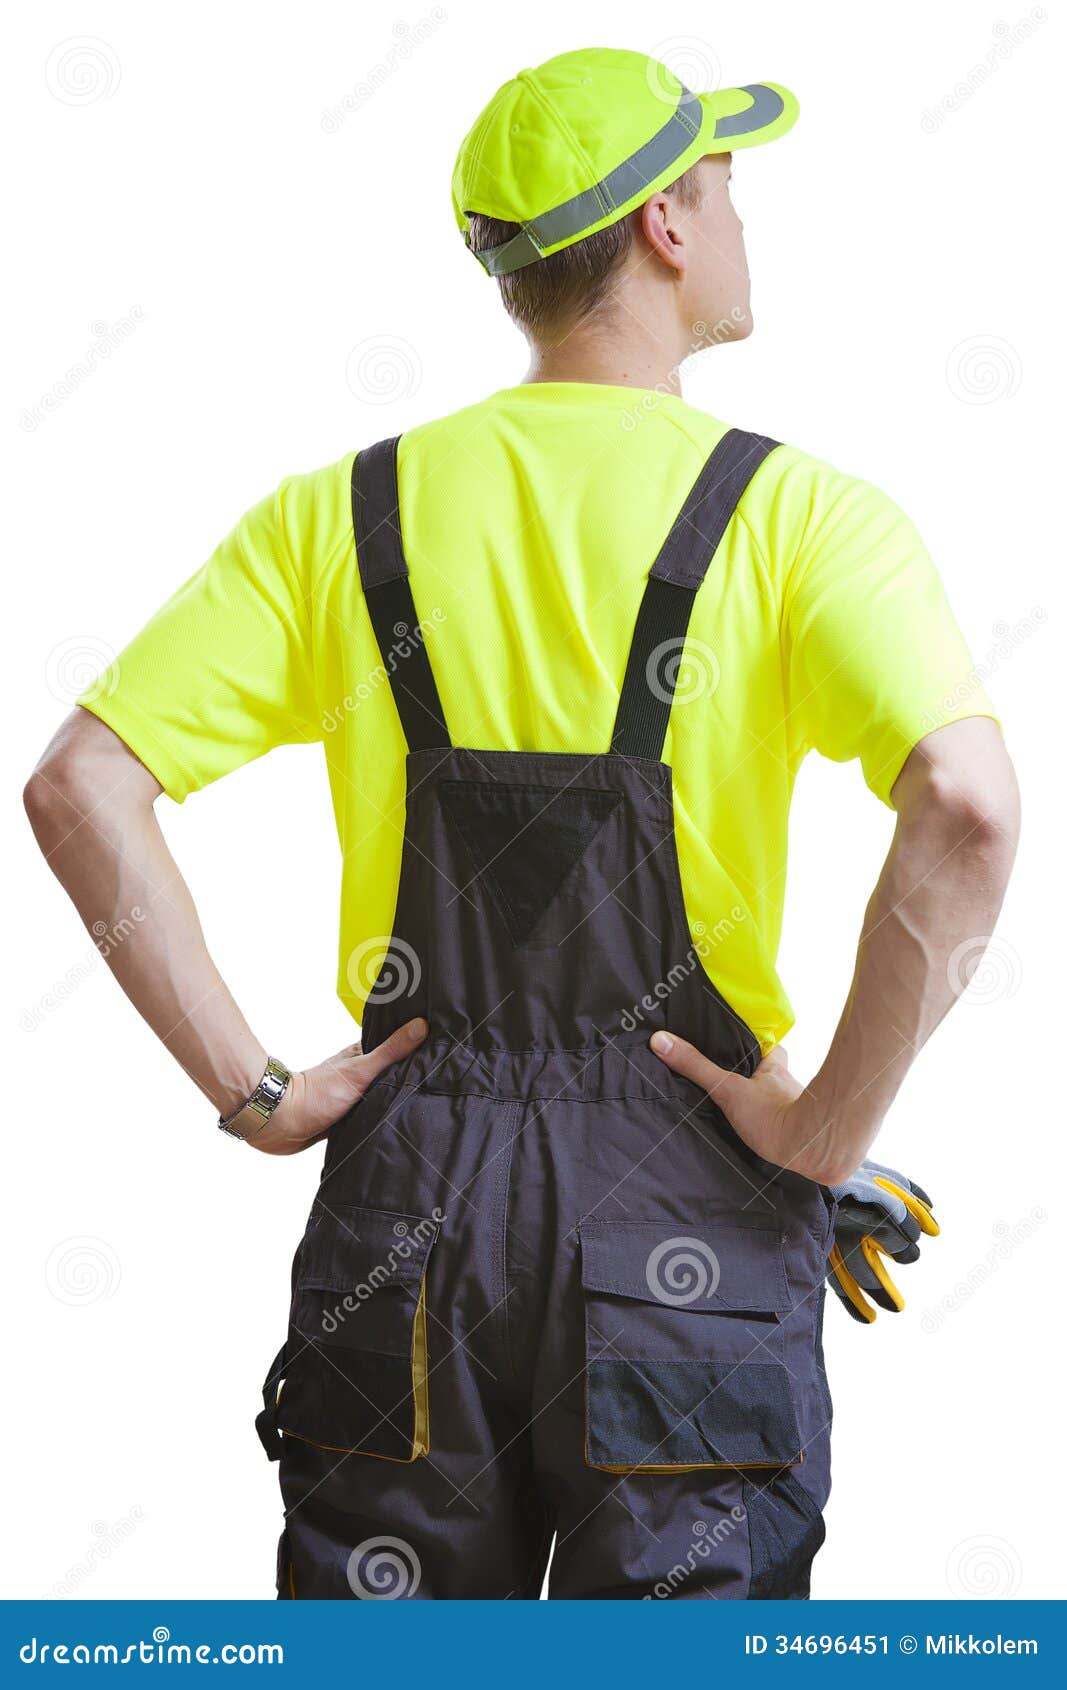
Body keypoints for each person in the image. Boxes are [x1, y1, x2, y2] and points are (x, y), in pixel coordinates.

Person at [24, 48, 1019, 1600]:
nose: (741, 217)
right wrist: (821, 1135)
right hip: (693, 1172)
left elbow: (79, 782)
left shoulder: (339, 519)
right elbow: (965, 807)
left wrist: (261, 1094)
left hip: (409, 1191)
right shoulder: (805, 519)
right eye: (724, 183)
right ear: (669, 229)